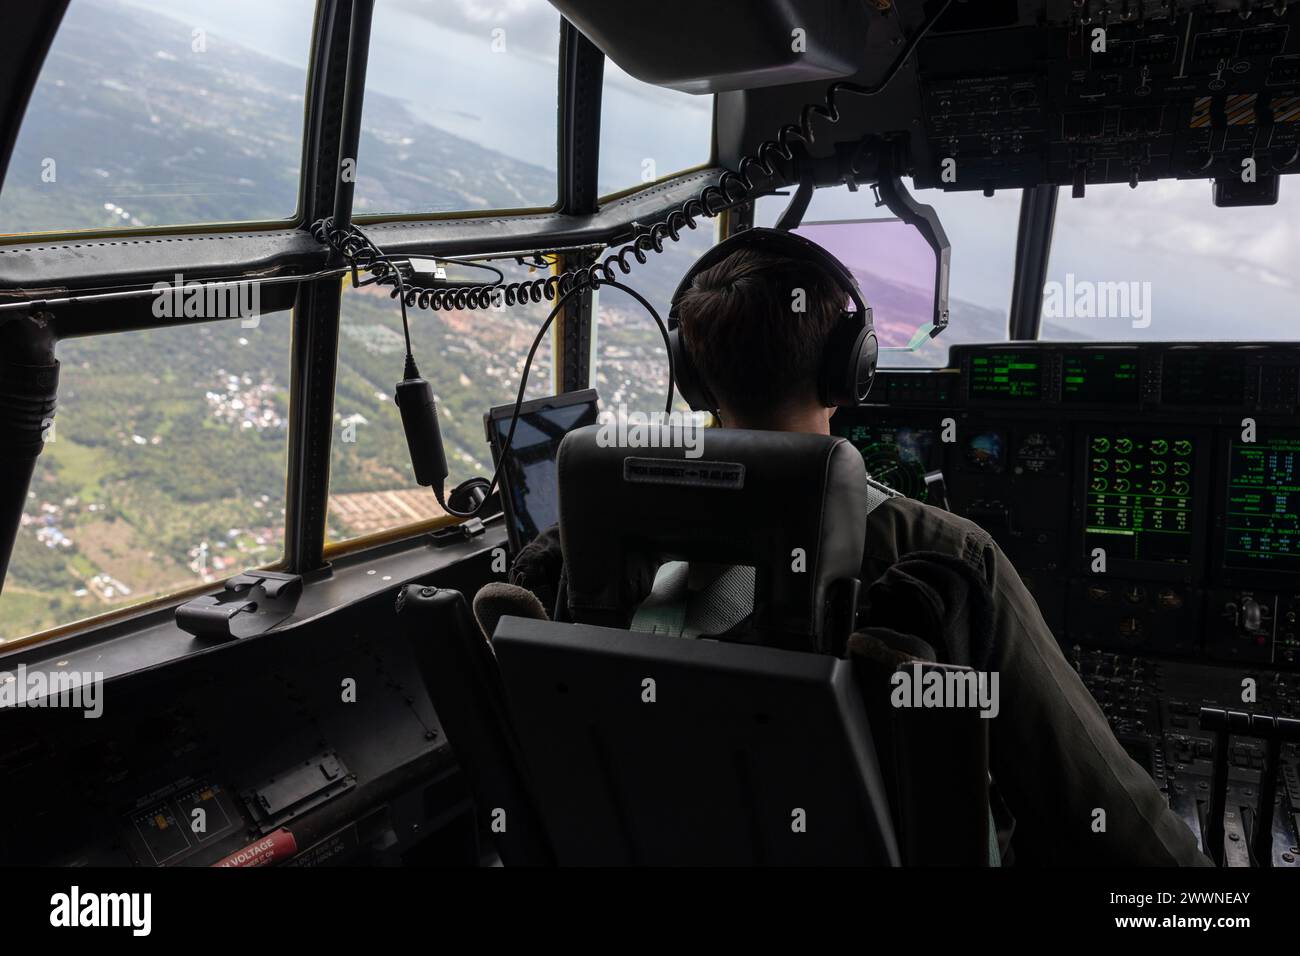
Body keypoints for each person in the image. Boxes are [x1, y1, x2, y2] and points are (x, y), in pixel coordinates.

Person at [512, 241, 1210, 867]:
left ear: (691, 374)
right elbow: (1110, 822)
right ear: (854, 367)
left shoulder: (591, 550)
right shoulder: (944, 560)